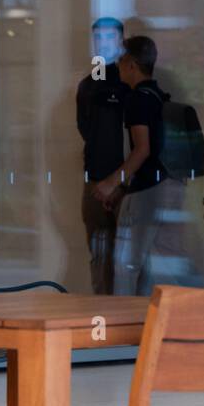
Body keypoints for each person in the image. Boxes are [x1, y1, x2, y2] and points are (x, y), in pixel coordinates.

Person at [92, 35, 185, 296]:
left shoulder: (137, 99)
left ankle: (127, 327)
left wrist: (112, 182)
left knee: (127, 261)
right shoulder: (157, 94)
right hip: (165, 184)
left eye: (121, 59)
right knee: (152, 261)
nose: (117, 65)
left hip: (148, 188)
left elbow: (142, 149)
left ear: (132, 64)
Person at [75, 17, 125, 293]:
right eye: (98, 37)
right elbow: (87, 132)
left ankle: (132, 327)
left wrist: (120, 181)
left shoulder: (130, 81)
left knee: (128, 259)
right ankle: (103, 324)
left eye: (109, 37)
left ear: (120, 40)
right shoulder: (87, 85)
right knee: (100, 257)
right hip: (94, 179)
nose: (102, 43)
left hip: (129, 183)